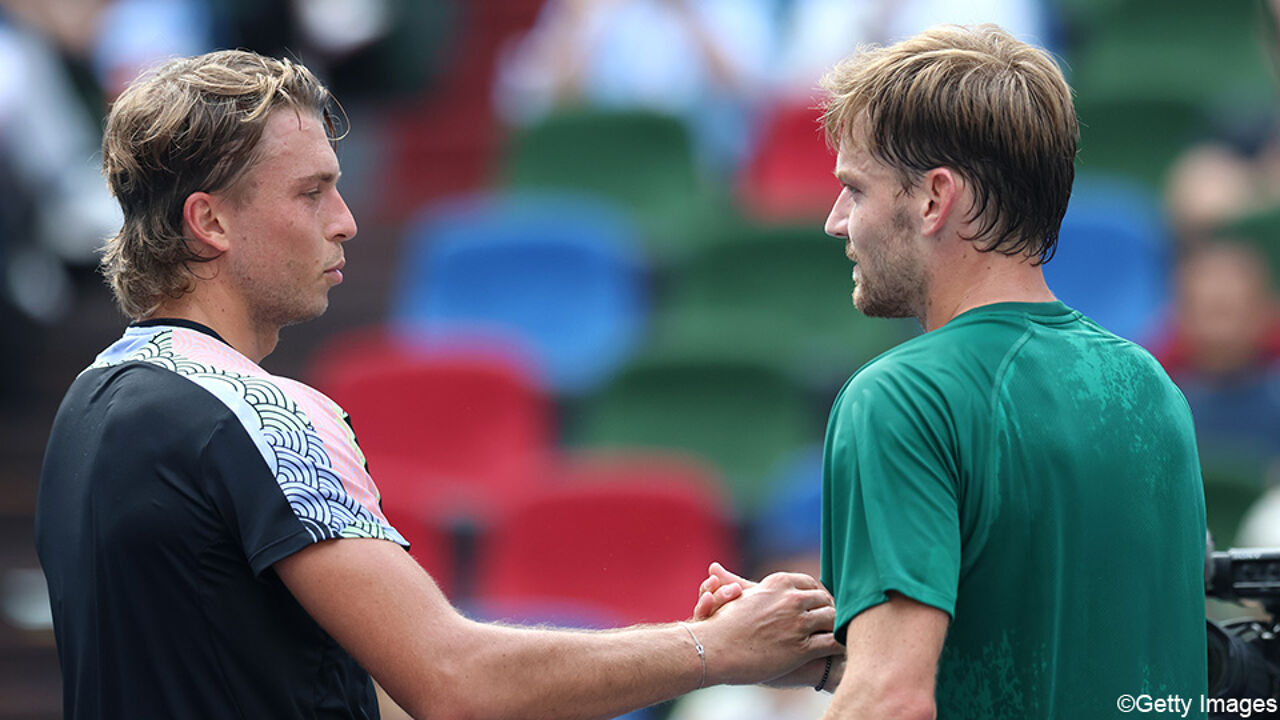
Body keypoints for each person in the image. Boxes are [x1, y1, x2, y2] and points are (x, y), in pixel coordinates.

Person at [33, 49, 840, 720]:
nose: (346, 219)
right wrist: (717, 650)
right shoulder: (260, 413)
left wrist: (657, 655)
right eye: (311, 192)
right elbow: (453, 681)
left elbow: (344, 688)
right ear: (209, 223)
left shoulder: (84, 407)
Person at [696, 24, 1208, 719]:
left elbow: (893, 701)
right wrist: (830, 661)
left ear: (935, 199)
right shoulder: (1152, 390)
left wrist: (870, 678)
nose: (835, 221)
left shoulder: (899, 398)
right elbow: (1057, 658)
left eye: (855, 188)